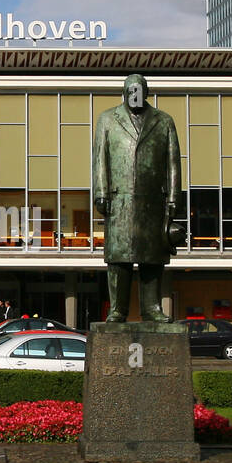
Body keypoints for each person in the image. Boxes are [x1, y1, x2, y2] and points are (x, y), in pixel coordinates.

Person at [93, 73, 182, 322]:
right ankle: (117, 309)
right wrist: (100, 192)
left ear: (146, 92)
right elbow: (100, 159)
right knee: (118, 259)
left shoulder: (163, 121)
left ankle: (151, 308)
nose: (135, 95)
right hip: (118, 201)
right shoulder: (108, 119)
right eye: (131, 90)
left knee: (152, 259)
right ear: (124, 93)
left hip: (153, 202)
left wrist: (174, 197)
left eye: (139, 90)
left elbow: (173, 163)